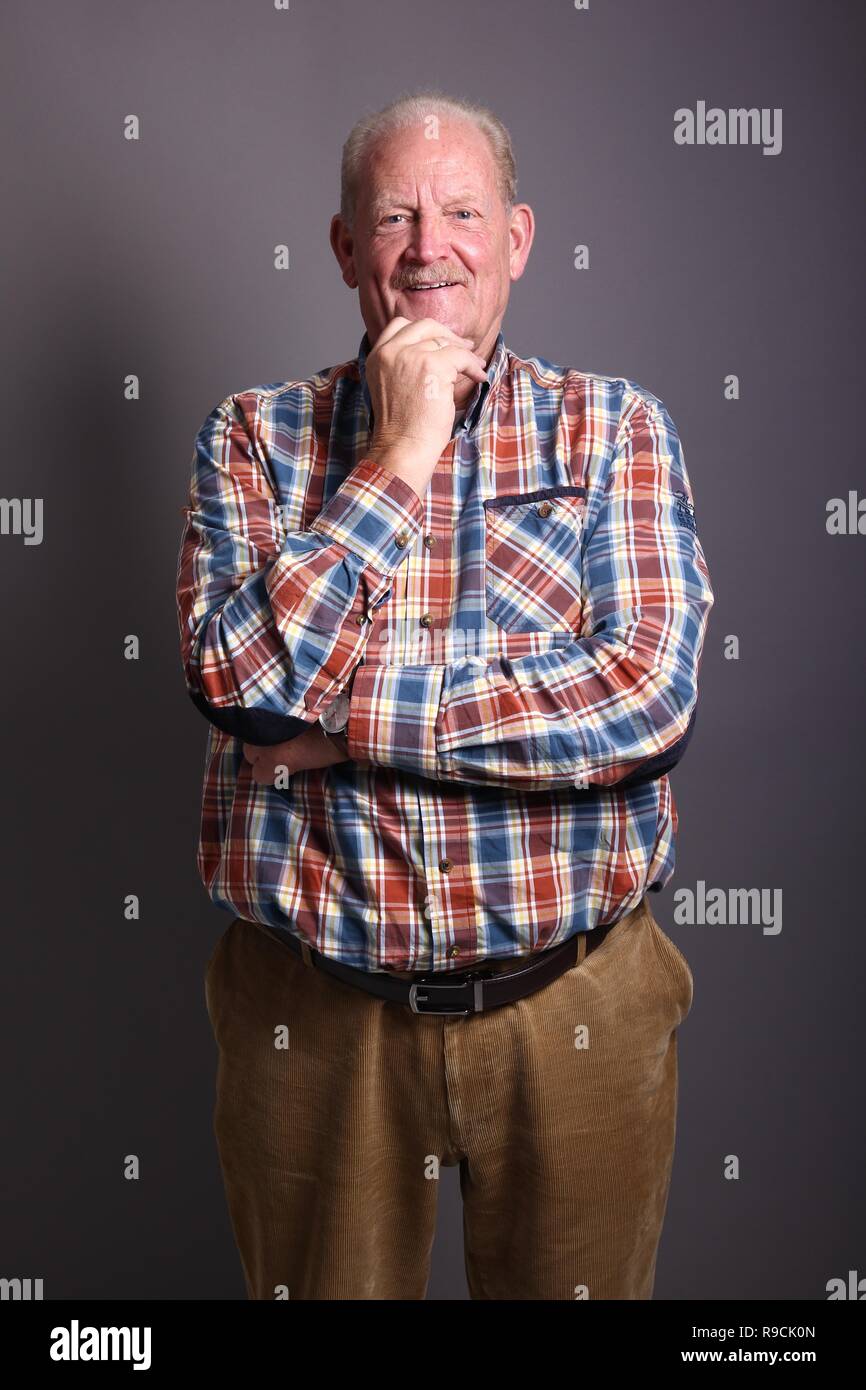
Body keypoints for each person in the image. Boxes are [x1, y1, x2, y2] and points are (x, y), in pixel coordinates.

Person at [175, 88, 714, 1301]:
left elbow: (637, 707)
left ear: (514, 239)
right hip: (315, 1020)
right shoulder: (252, 439)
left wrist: (340, 720)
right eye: (395, 216)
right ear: (345, 247)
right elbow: (242, 690)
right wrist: (399, 454)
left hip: (574, 1006)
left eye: (461, 212)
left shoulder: (613, 428)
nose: (429, 248)